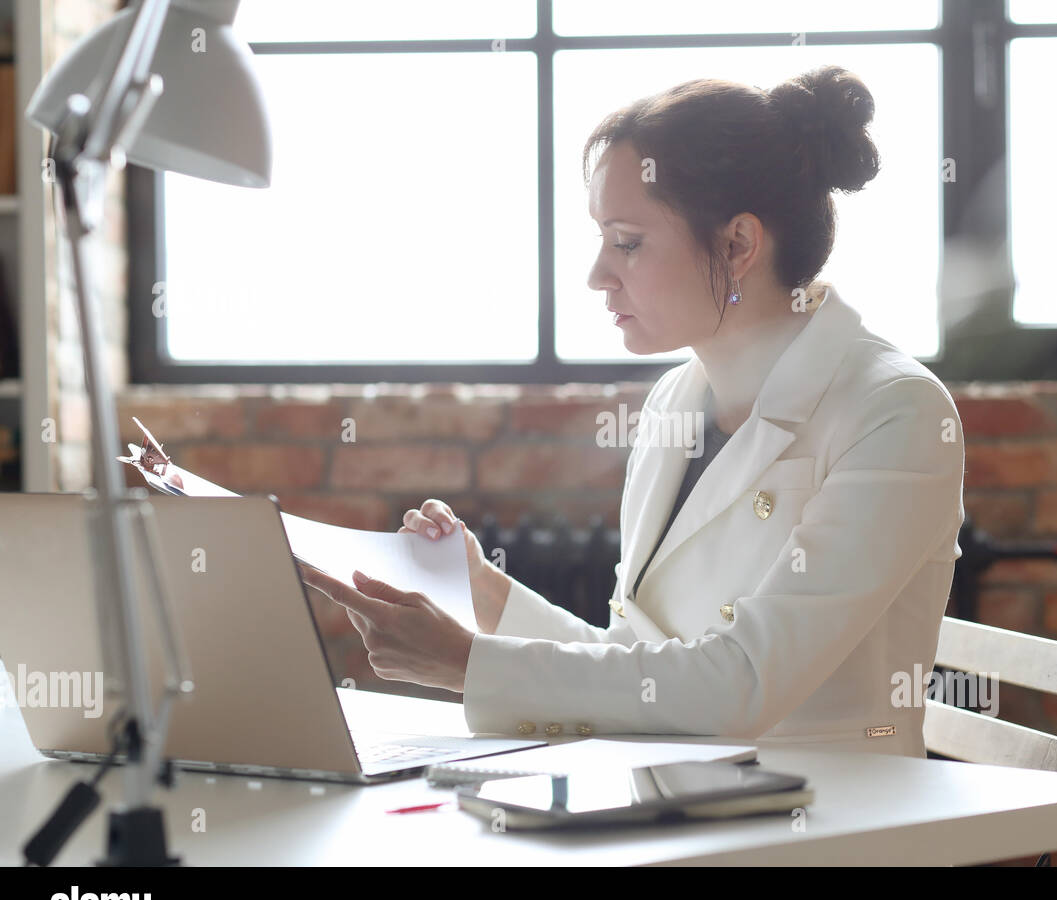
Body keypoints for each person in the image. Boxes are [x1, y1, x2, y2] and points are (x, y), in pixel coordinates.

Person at [300, 65, 966, 754]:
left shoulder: (896, 412)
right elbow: (643, 670)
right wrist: (489, 596)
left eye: (628, 241)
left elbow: (739, 686)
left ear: (738, 245)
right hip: (685, 805)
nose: (597, 275)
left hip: (835, 826)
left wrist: (466, 664)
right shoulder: (677, 401)